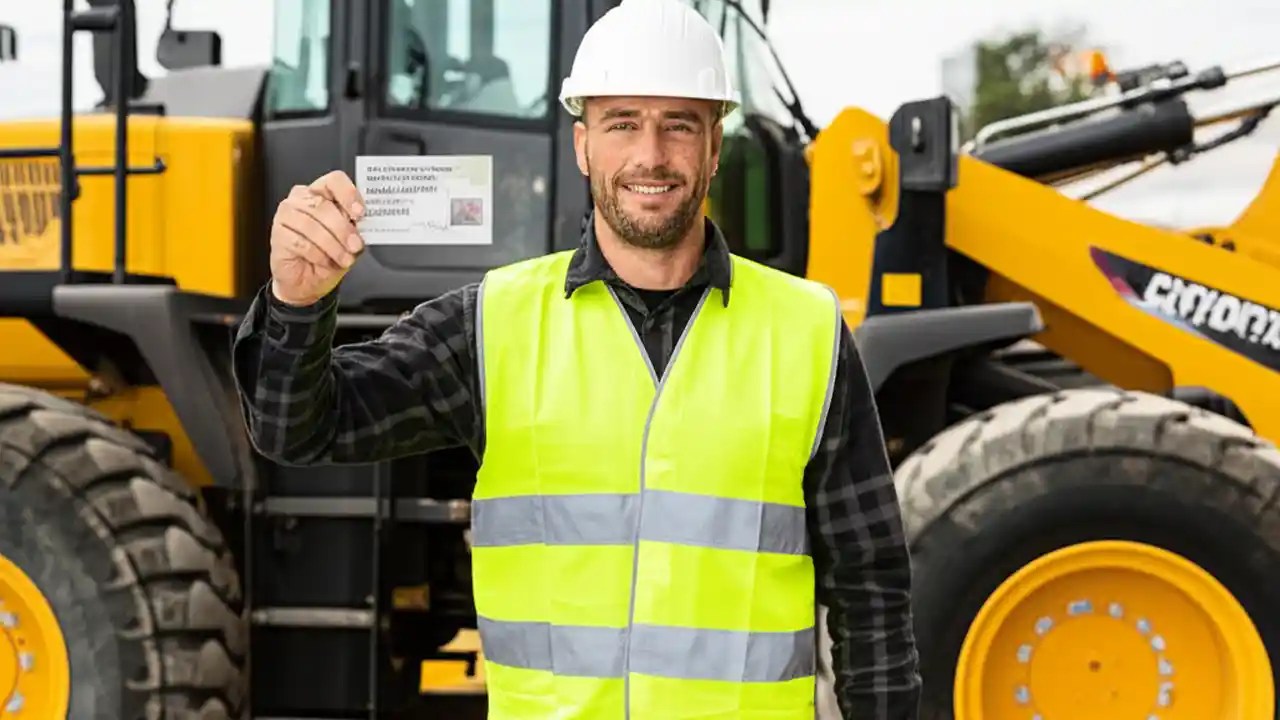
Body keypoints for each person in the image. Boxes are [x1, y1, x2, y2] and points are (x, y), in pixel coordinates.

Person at [231, 0, 921, 717]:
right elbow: (295, 429)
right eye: (622, 122)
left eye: (678, 124)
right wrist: (297, 303)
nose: (650, 155)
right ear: (583, 144)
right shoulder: (490, 325)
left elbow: (871, 589)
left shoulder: (805, 330)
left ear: (715, 145)